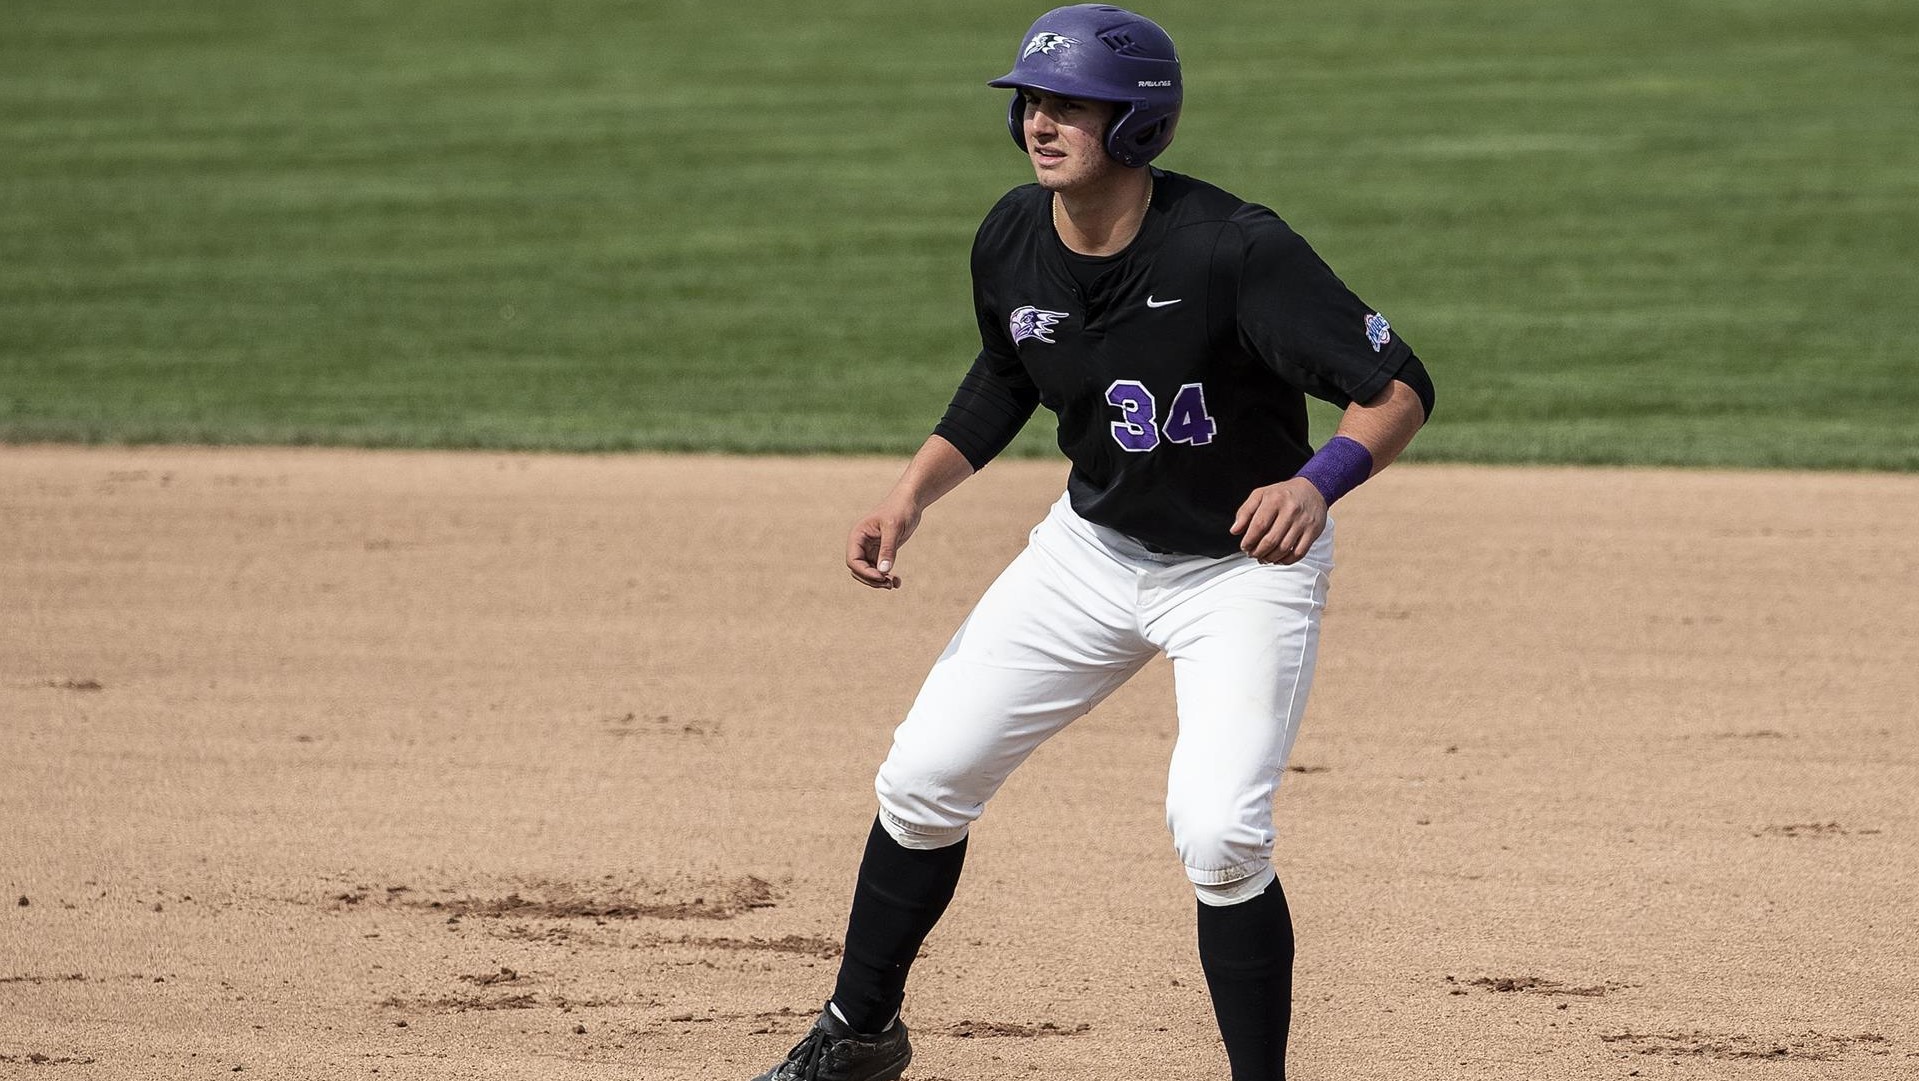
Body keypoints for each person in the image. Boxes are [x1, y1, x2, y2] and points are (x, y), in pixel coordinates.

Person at [751, 6, 1433, 1080]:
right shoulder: (1013, 234)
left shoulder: (1232, 249)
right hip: (1092, 553)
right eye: (1032, 99)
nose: (1040, 121)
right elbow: (1009, 371)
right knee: (923, 777)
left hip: (1236, 576)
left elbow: (1397, 389)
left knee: (1218, 835)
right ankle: (858, 1033)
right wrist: (911, 492)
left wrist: (1316, 483)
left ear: (1139, 124)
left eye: (1071, 104)